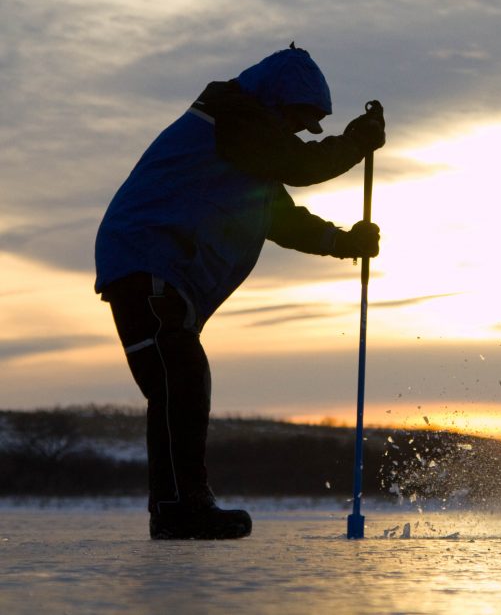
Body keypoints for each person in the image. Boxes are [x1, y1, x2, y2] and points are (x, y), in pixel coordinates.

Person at [94, 44, 384, 540]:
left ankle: (179, 506)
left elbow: (280, 217)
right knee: (179, 382)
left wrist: (343, 242)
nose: (299, 130)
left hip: (161, 272)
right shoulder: (232, 119)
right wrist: (354, 143)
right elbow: (299, 165)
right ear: (277, 101)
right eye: (298, 118)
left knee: (181, 383)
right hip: (148, 264)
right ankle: (178, 508)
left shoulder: (247, 145)